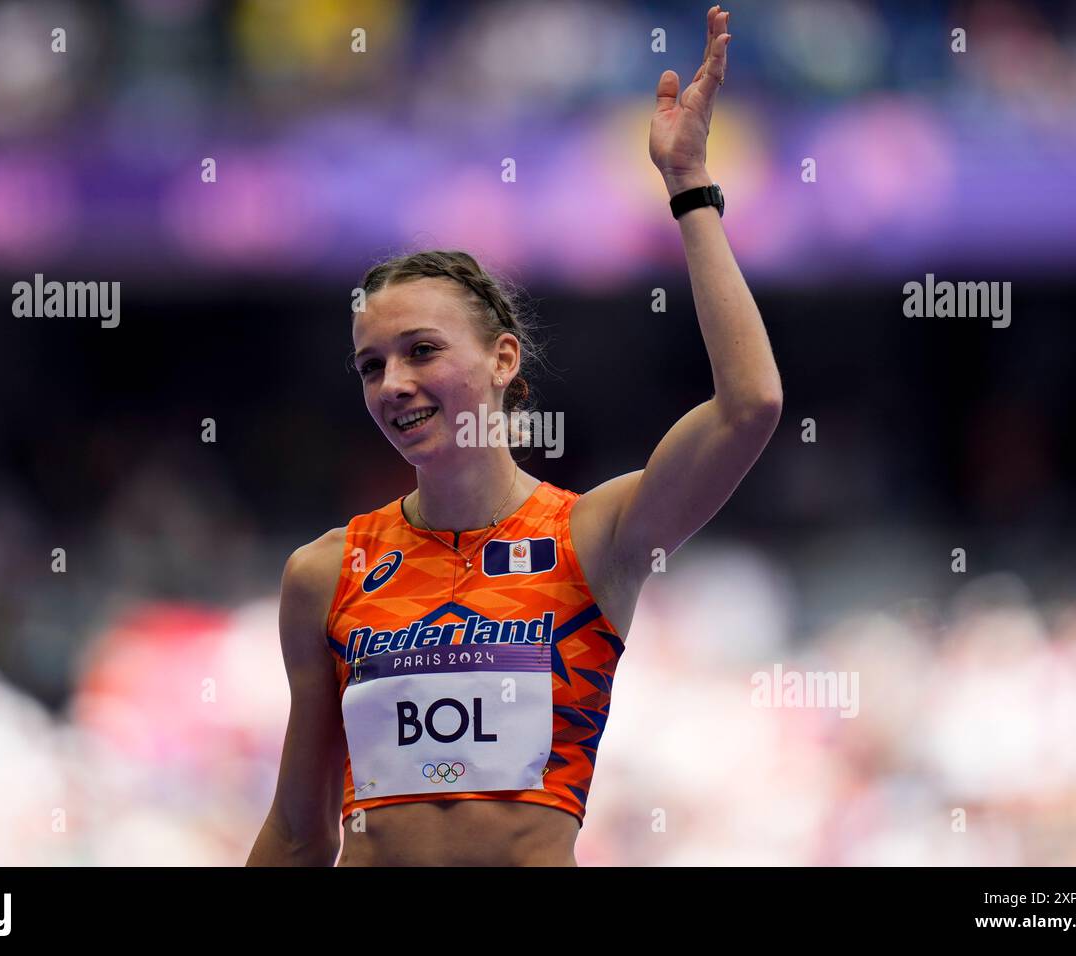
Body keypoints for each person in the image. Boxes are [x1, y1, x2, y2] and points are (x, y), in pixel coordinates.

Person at [247, 5, 780, 866]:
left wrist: (689, 190)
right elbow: (298, 833)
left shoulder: (595, 537)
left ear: (503, 360)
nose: (394, 384)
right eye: (371, 365)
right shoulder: (323, 574)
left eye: (422, 352)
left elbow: (749, 405)